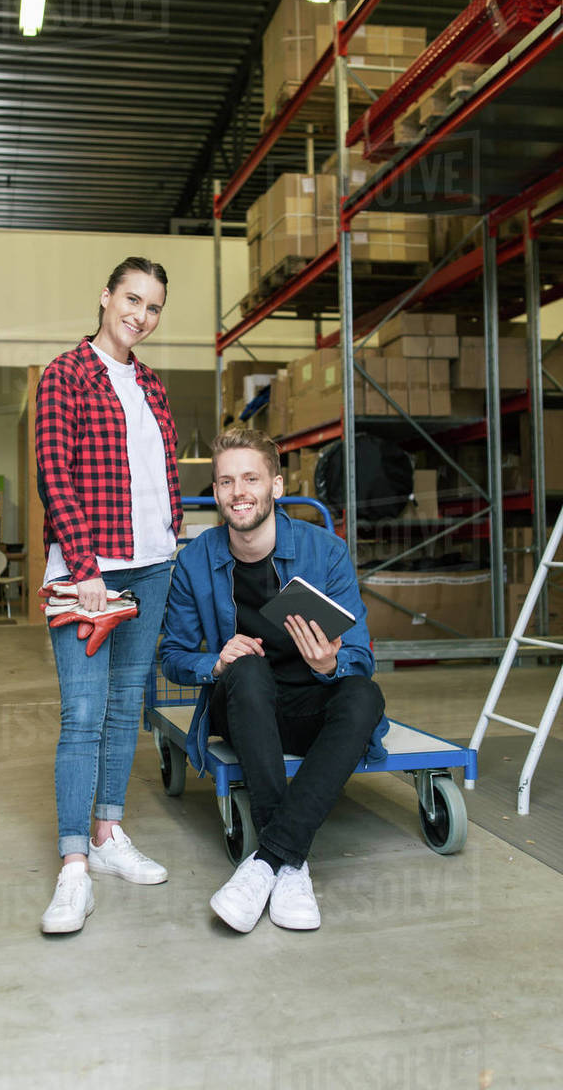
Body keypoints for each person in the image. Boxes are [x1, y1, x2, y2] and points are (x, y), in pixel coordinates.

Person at [159, 428, 385, 934]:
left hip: (308, 705)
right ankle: (290, 861)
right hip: (242, 707)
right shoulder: (195, 561)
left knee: (362, 695)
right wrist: (214, 663)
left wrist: (331, 664)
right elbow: (171, 656)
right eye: (225, 481)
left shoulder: (323, 551)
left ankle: (271, 862)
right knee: (248, 665)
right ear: (216, 493)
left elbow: (361, 651)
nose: (238, 492)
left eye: (250, 479)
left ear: (276, 487)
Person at [35, 256, 182, 934]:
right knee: (84, 714)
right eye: (131, 299)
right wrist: (85, 565)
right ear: (105, 297)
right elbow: (54, 475)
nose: (140, 316)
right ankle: (72, 869)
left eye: (152, 307)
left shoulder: (152, 385)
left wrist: (173, 537)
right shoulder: (65, 374)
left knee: (128, 707)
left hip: (152, 566)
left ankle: (107, 834)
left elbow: (162, 474)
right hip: (89, 571)